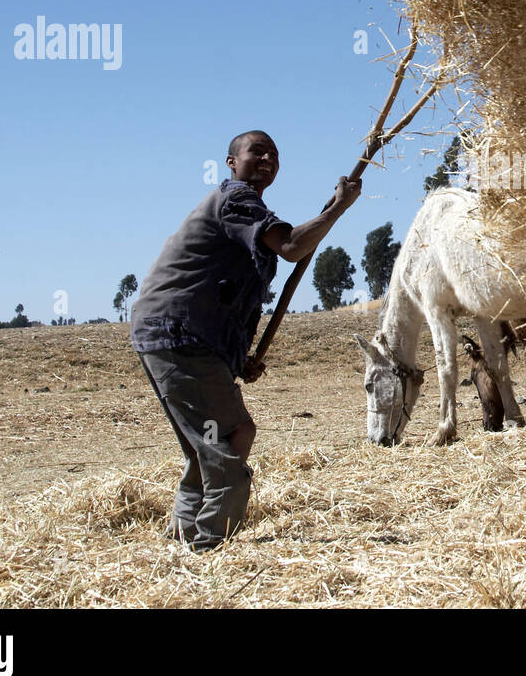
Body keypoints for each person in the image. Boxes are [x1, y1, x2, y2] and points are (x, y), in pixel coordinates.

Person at [130, 130, 360, 551]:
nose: (268, 157)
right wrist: (339, 210)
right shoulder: (235, 199)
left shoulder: (243, 207)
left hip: (174, 334)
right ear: (231, 162)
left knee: (209, 443)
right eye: (257, 151)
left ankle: (184, 537)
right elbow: (290, 245)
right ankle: (209, 545)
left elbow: (229, 292)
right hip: (179, 332)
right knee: (233, 436)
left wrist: (239, 360)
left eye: (274, 152)